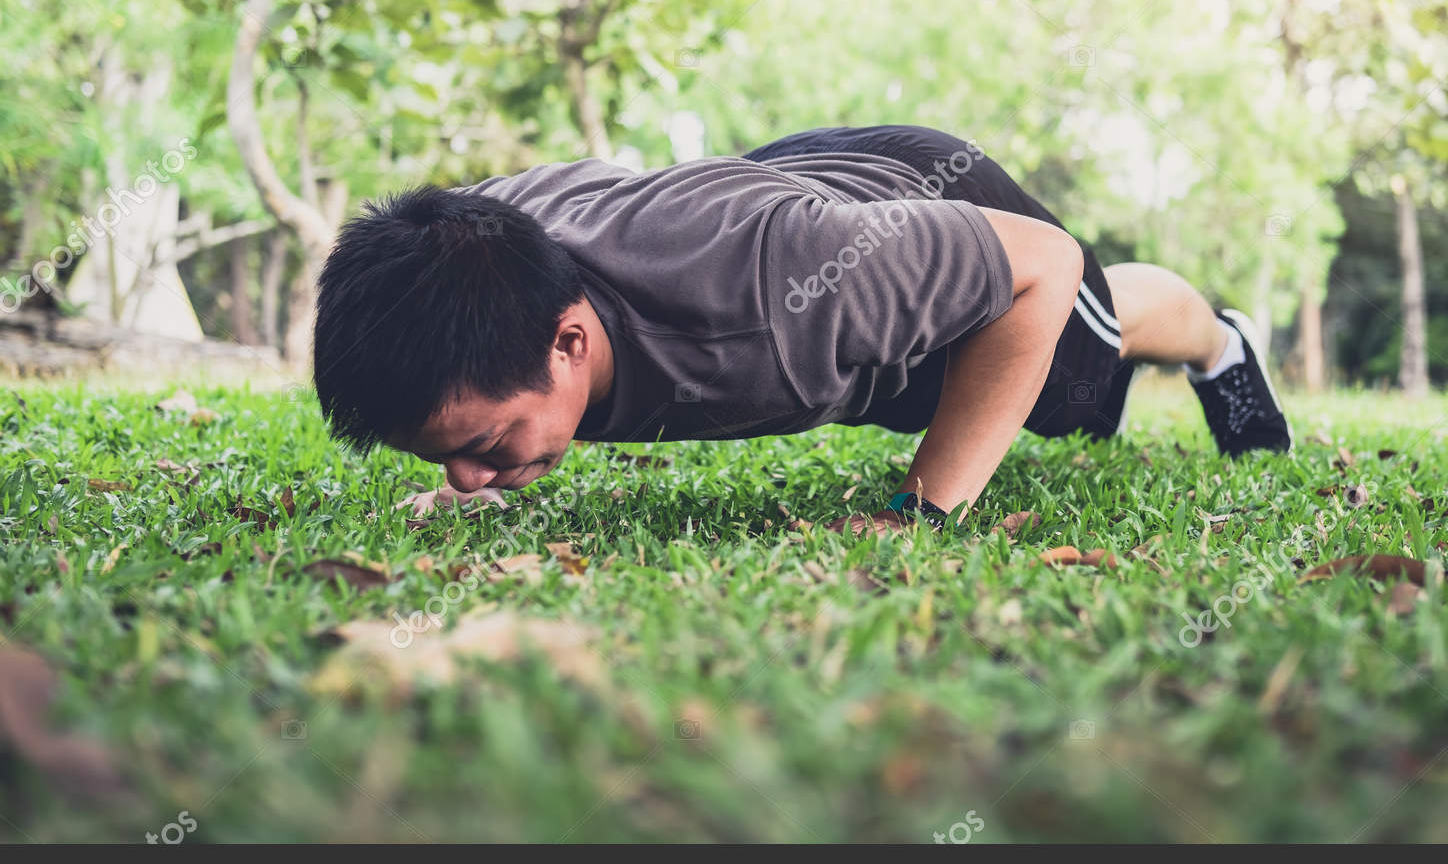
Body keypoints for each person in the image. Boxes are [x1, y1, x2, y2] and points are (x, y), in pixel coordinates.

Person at [312, 124, 1291, 533]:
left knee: (1084, 363)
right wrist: (489, 469)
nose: (465, 476)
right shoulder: (485, 256)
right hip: (800, 195)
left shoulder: (776, 284)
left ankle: (1220, 344)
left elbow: (1043, 264)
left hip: (931, 209)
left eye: (484, 446)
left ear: (569, 342)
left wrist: (921, 509)